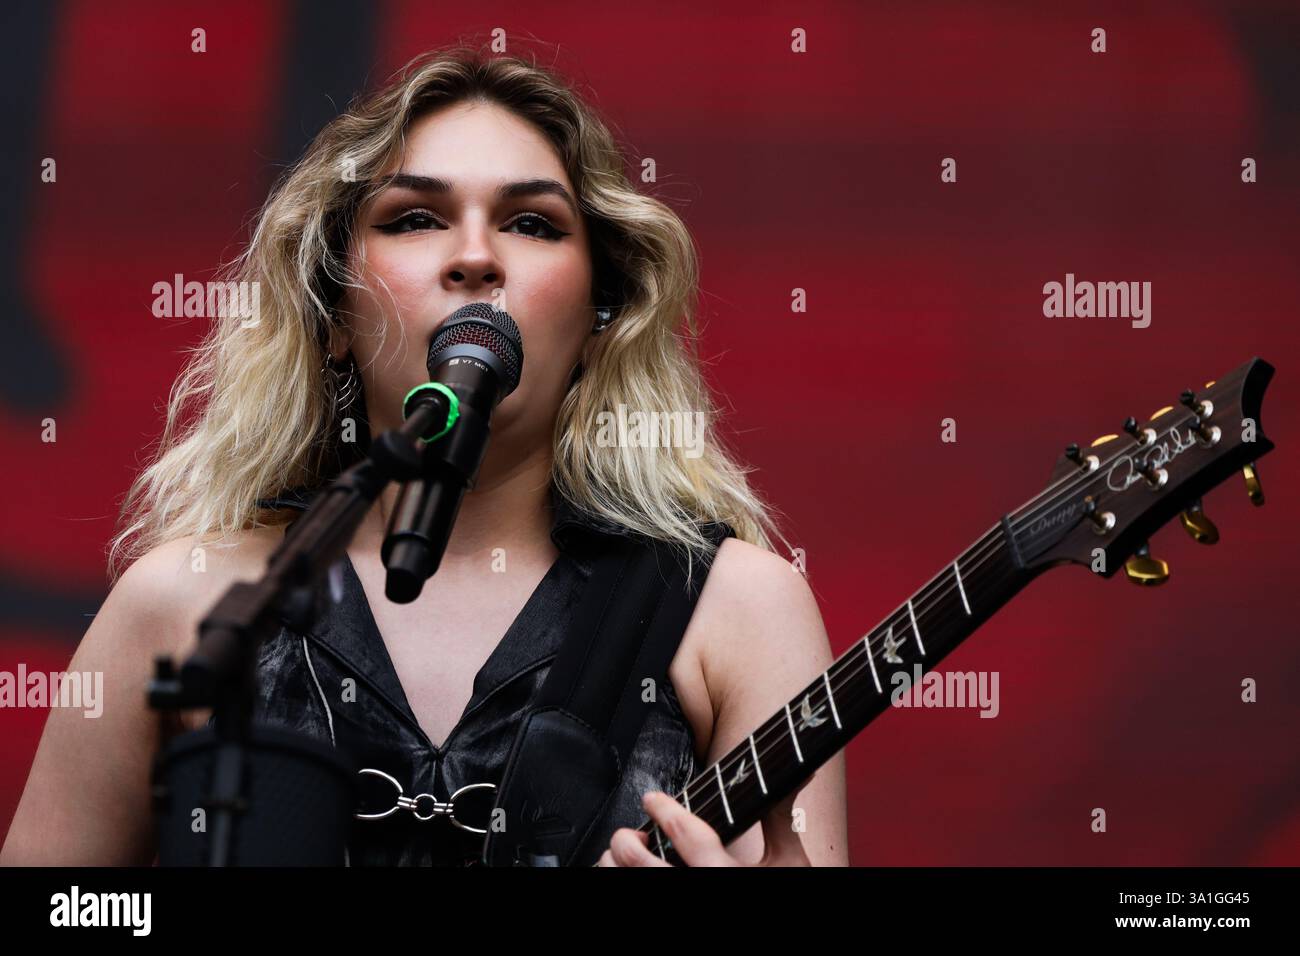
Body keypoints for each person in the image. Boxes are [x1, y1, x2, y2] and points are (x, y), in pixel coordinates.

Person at [1, 46, 847, 867]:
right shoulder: (181, 604)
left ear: (600, 317)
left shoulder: (736, 609)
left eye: (530, 223)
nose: (476, 257)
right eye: (414, 217)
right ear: (332, 312)